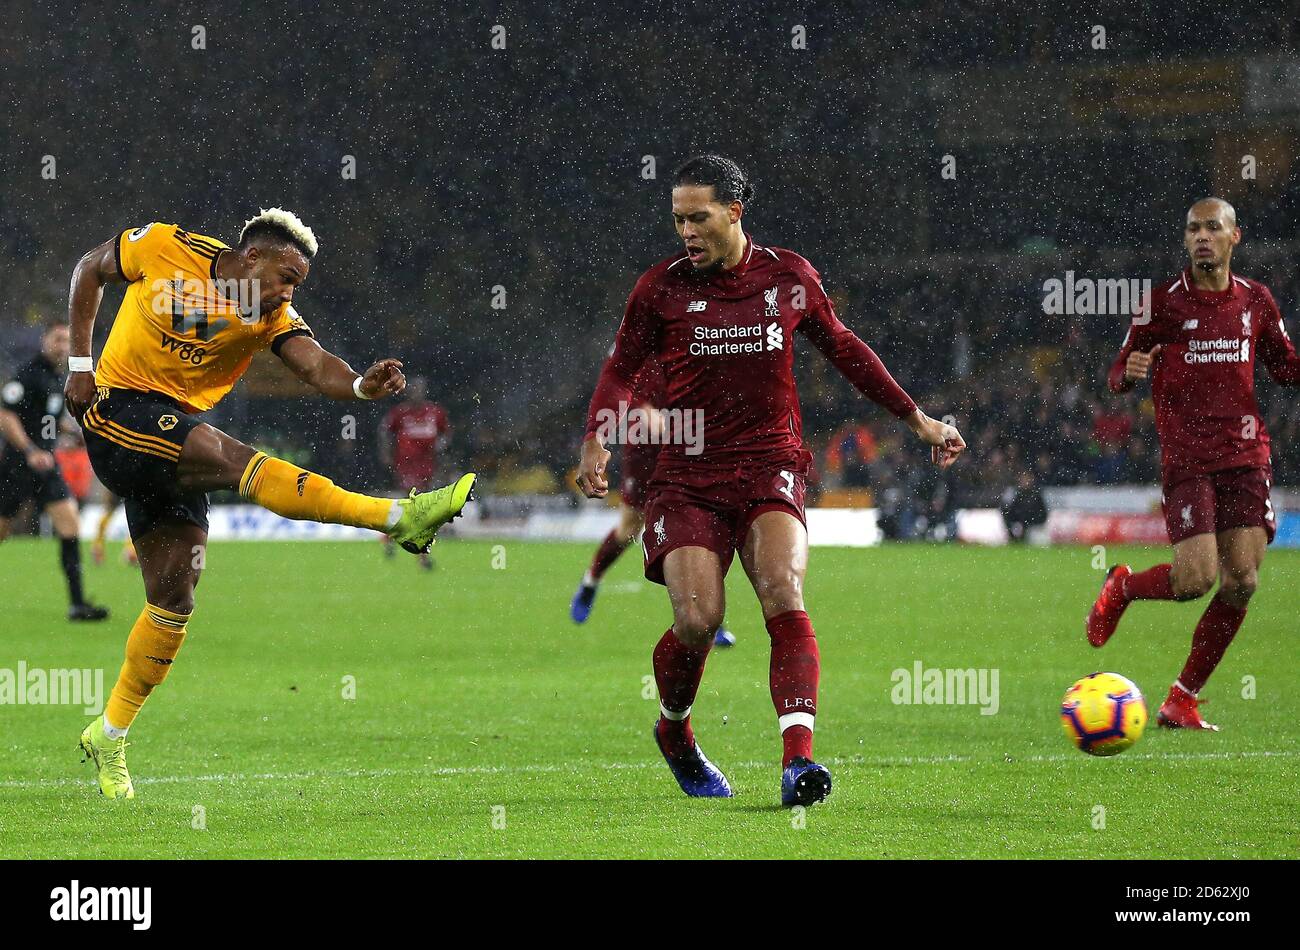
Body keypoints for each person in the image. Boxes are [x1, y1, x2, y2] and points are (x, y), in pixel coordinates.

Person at [577, 156, 964, 806]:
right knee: (698, 620)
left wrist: (917, 419)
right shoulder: (660, 289)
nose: (686, 232)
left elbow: (845, 349)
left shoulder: (788, 277)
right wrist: (597, 437)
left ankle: (798, 762)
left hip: (770, 464)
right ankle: (674, 731)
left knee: (784, 591)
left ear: (735, 212)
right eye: (677, 220)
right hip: (688, 476)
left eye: (698, 217)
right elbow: (620, 369)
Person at [65, 210, 476, 798]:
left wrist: (360, 385)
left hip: (172, 434)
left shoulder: (271, 315)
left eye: (298, 285)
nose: (289, 293)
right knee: (238, 462)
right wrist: (80, 366)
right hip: (116, 410)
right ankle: (395, 518)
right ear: (252, 258)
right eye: (286, 278)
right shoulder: (163, 247)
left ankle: (109, 733)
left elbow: (316, 364)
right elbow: (88, 269)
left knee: (174, 598)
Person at [1087, 198, 1300, 730]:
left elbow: (1285, 368)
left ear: (1234, 237)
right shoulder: (1161, 304)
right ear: (1185, 240)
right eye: (1193, 229)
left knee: (1242, 580)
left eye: (1213, 227)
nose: (1202, 236)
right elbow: (1117, 373)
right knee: (1194, 579)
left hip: (1246, 456)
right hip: (1188, 459)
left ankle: (1181, 699)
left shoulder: (1256, 300)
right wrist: (1130, 372)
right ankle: (1123, 587)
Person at [570, 359, 736, 647]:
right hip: (645, 451)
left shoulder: (695, 341)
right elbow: (626, 392)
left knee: (695, 529)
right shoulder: (641, 344)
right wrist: (651, 416)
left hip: (686, 448)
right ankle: (590, 583)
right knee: (629, 530)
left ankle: (707, 618)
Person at [0, 319, 109, 620]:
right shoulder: (28, 374)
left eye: (66, 341)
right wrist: (30, 450)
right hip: (17, 466)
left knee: (70, 526)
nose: (62, 346)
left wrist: (74, 434)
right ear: (44, 340)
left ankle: (77, 605)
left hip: (47, 465)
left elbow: (48, 419)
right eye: (57, 339)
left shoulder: (58, 377)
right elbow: (6, 416)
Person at [379, 376, 450, 569]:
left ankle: (388, 537)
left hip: (428, 465)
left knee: (413, 507)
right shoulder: (400, 413)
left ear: (425, 391)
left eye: (420, 389)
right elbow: (385, 430)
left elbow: (446, 434)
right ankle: (423, 557)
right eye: (413, 389)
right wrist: (386, 453)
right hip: (407, 465)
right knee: (420, 507)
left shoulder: (435, 412)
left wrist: (441, 450)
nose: (416, 393)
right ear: (408, 392)